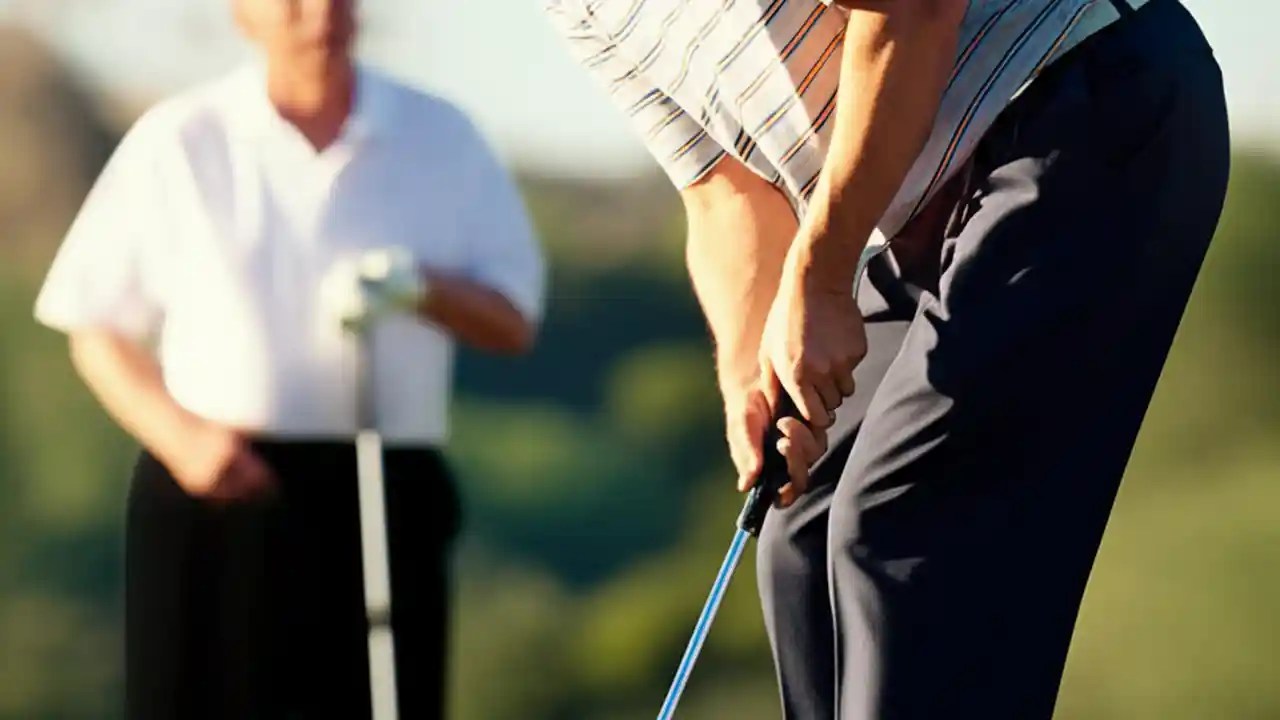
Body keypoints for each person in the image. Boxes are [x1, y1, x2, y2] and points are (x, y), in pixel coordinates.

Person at [545, 0, 1228, 717]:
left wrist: (822, 275)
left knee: (901, 521)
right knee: (801, 532)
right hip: (912, 212)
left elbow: (913, 11)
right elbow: (726, 190)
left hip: (1079, 100)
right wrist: (756, 385)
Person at [34, 0, 545, 717]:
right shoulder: (182, 135)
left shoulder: (440, 135)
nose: (320, 13)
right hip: (217, 487)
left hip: (382, 487)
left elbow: (513, 319)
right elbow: (94, 326)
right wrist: (183, 441)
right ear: (243, 14)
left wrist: (420, 287)